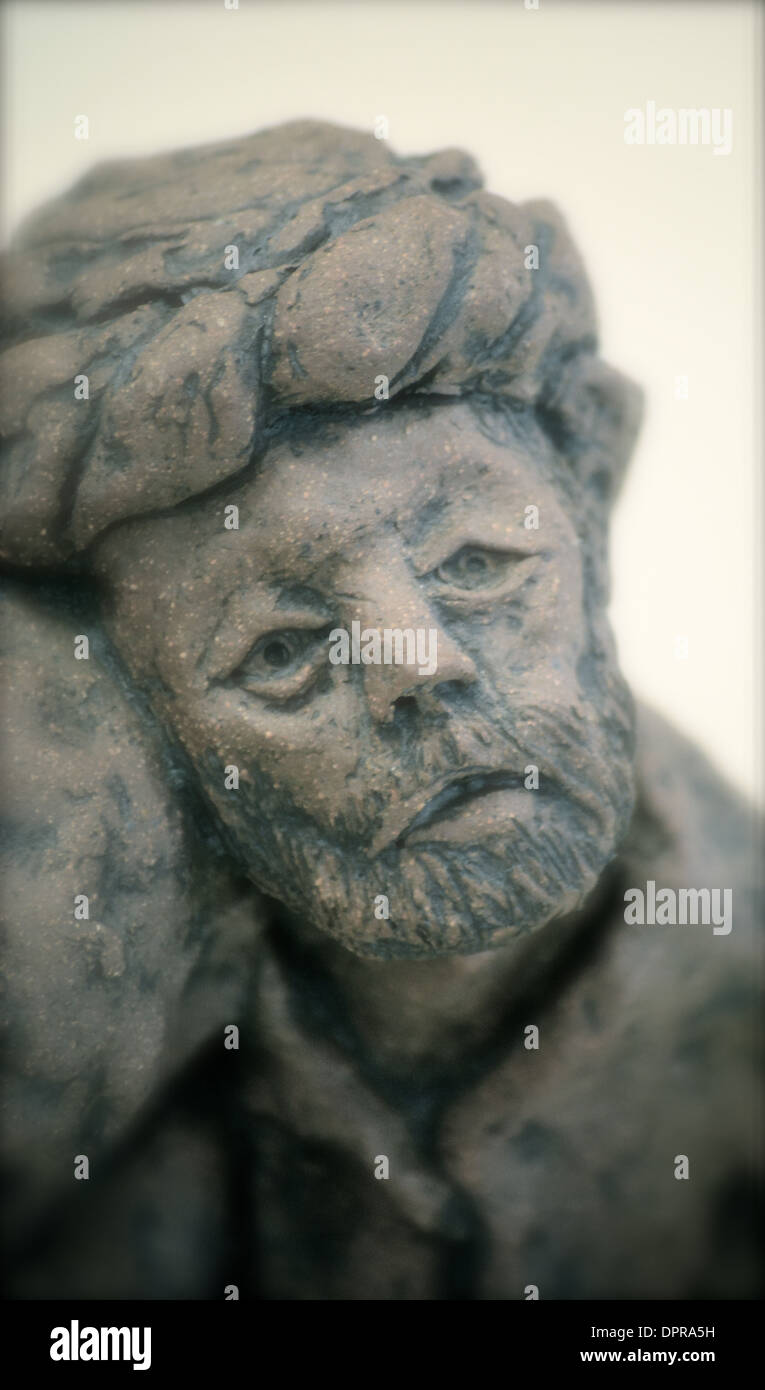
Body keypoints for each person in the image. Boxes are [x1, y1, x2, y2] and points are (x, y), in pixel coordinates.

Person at [1, 120, 760, 1300]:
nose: (422, 665)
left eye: (476, 564)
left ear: (593, 490)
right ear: (137, 710)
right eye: (287, 651)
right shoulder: (91, 1058)